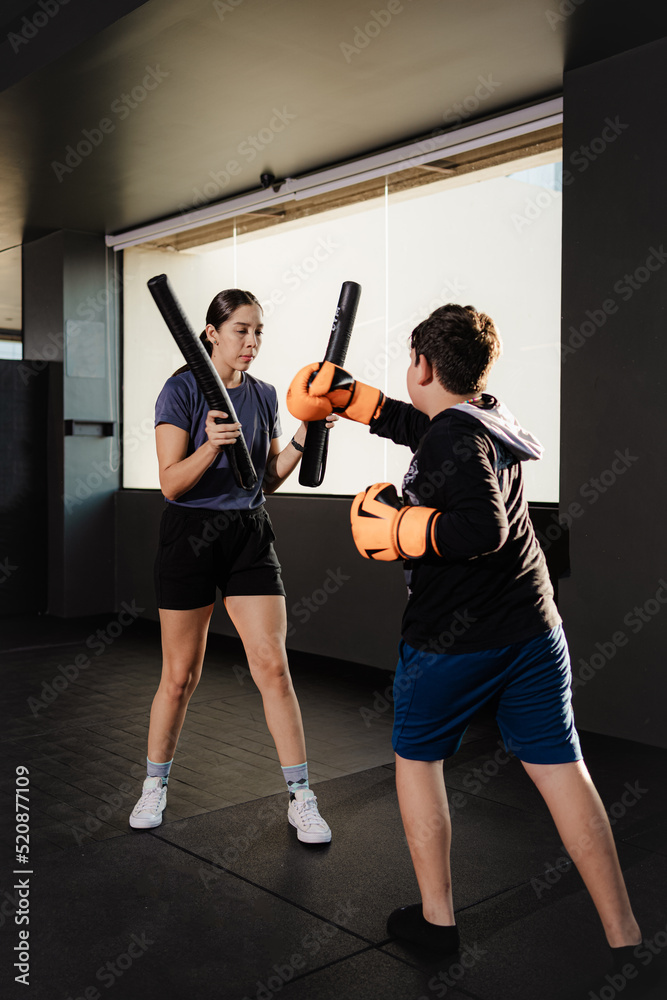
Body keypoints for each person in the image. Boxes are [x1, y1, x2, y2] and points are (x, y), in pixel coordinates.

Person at [287, 303, 642, 958]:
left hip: (452, 641)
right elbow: (426, 429)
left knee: (417, 760)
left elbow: (483, 527)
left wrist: (402, 531)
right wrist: (354, 400)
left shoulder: (453, 435)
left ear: (422, 364)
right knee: (563, 771)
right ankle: (623, 933)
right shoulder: (482, 415)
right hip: (533, 630)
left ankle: (437, 921)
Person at [129, 288, 332, 845]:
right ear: (212, 334)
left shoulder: (264, 394)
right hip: (191, 533)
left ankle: (302, 798)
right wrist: (210, 447)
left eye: (259, 330)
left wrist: (303, 434)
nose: (252, 341)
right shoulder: (181, 389)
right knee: (180, 677)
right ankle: (154, 786)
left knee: (271, 664)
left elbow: (264, 477)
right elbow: (171, 482)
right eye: (241, 330)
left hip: (248, 532)